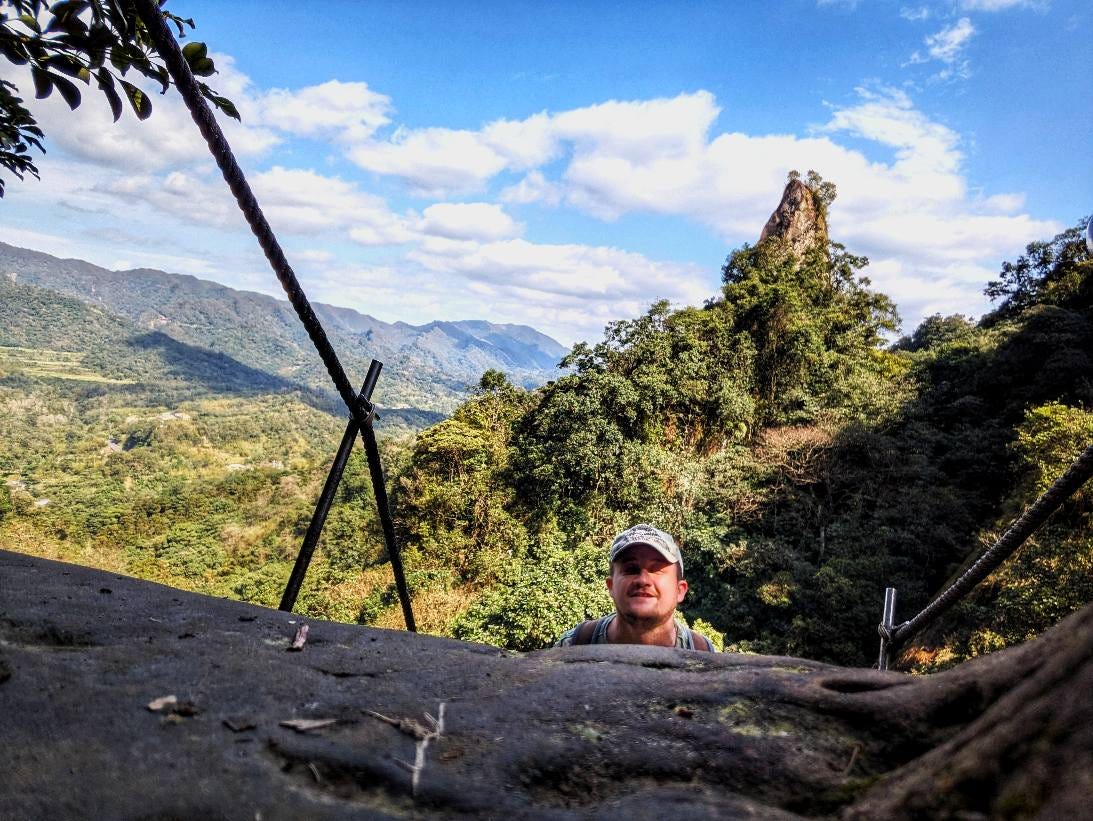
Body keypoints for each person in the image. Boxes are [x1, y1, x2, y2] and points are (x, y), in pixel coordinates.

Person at [555, 524, 717, 651]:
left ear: (680, 590)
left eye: (656, 569)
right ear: (611, 586)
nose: (643, 580)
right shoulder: (572, 646)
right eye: (631, 569)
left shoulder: (702, 655)